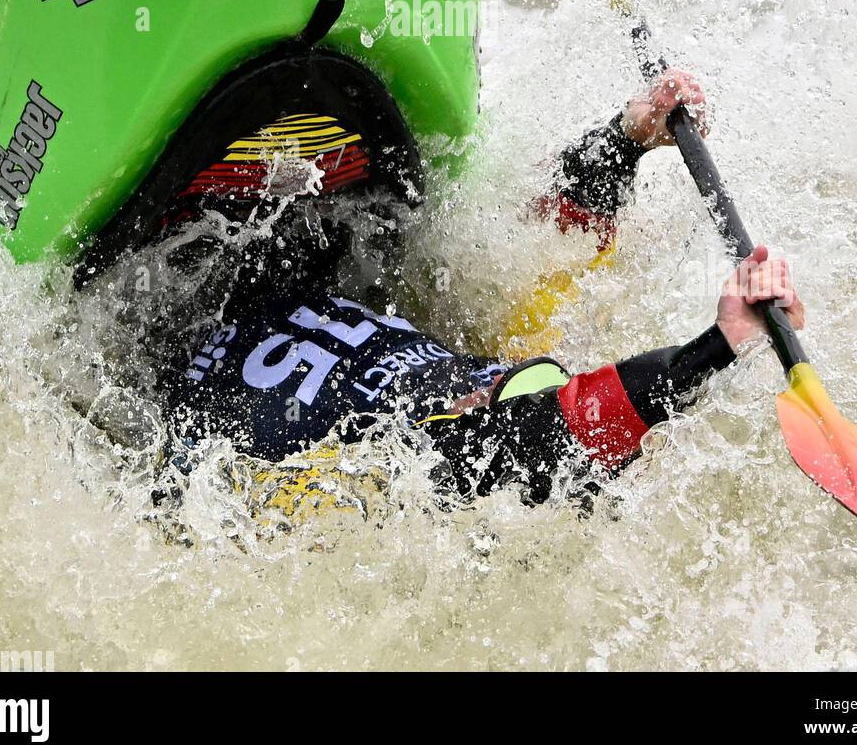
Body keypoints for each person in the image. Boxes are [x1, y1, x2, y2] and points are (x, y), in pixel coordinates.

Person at [153, 61, 804, 506]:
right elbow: (559, 253)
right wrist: (625, 140)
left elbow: (560, 426)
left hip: (180, 362)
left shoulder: (433, 457)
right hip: (269, 299)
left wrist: (720, 343)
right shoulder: (488, 401)